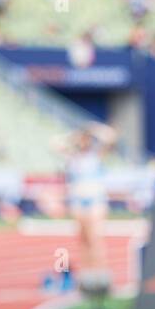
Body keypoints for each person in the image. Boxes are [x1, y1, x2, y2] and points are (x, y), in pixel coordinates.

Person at [51, 123, 118, 300]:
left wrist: (93, 128)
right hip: (78, 203)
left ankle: (101, 278)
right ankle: (87, 279)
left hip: (95, 202)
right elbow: (54, 144)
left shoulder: (97, 156)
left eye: (85, 139)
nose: (83, 142)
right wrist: (73, 135)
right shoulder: (73, 159)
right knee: (83, 241)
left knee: (96, 240)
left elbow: (111, 137)